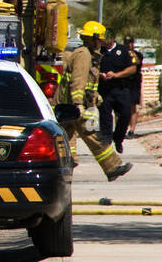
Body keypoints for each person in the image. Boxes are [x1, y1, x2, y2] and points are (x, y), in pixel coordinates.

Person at [58, 21, 131, 180]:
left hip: (71, 106)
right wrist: (78, 105)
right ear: (93, 39)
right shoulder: (83, 55)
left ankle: (65, 166)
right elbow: (78, 81)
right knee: (93, 135)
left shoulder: (88, 54)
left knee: (65, 137)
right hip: (74, 106)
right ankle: (112, 167)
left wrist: (95, 96)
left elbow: (88, 82)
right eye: (99, 39)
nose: (102, 42)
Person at [98, 32, 137, 153]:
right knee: (105, 117)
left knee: (125, 114)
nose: (105, 42)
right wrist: (100, 74)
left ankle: (118, 138)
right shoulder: (99, 52)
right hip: (105, 90)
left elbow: (132, 68)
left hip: (121, 89)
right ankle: (106, 143)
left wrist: (116, 75)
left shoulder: (124, 51)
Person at [123, 36, 144, 137]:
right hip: (123, 83)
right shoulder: (121, 54)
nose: (129, 45)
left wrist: (131, 53)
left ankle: (132, 130)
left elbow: (137, 63)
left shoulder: (137, 54)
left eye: (130, 42)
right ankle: (122, 128)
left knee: (133, 107)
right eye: (127, 43)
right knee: (122, 107)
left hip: (134, 83)